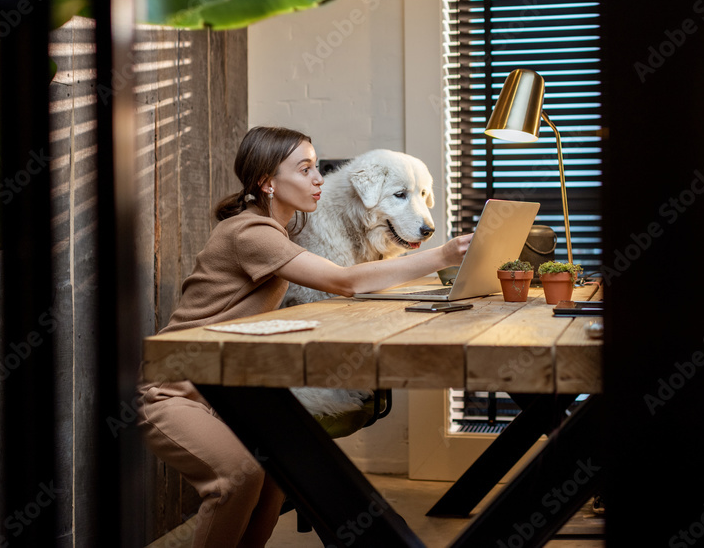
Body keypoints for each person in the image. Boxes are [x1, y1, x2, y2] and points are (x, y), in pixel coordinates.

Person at [137, 126, 471, 548]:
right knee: (238, 478)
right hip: (173, 391)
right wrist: (441, 254)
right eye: (306, 169)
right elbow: (344, 281)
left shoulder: (282, 230)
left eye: (317, 166)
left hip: (224, 390)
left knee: (282, 470)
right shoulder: (251, 233)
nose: (319, 178)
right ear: (267, 182)